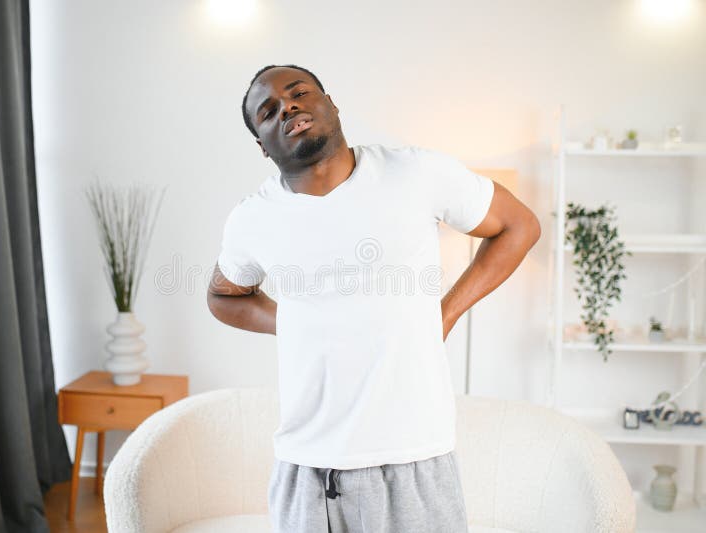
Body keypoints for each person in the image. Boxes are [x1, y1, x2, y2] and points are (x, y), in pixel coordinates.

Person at [206, 64, 541, 533]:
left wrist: (444, 315)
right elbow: (223, 297)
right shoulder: (252, 219)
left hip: (415, 459)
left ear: (330, 103)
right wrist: (296, 322)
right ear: (262, 145)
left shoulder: (417, 171)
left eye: (299, 93)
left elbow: (519, 226)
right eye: (269, 111)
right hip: (308, 466)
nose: (288, 107)